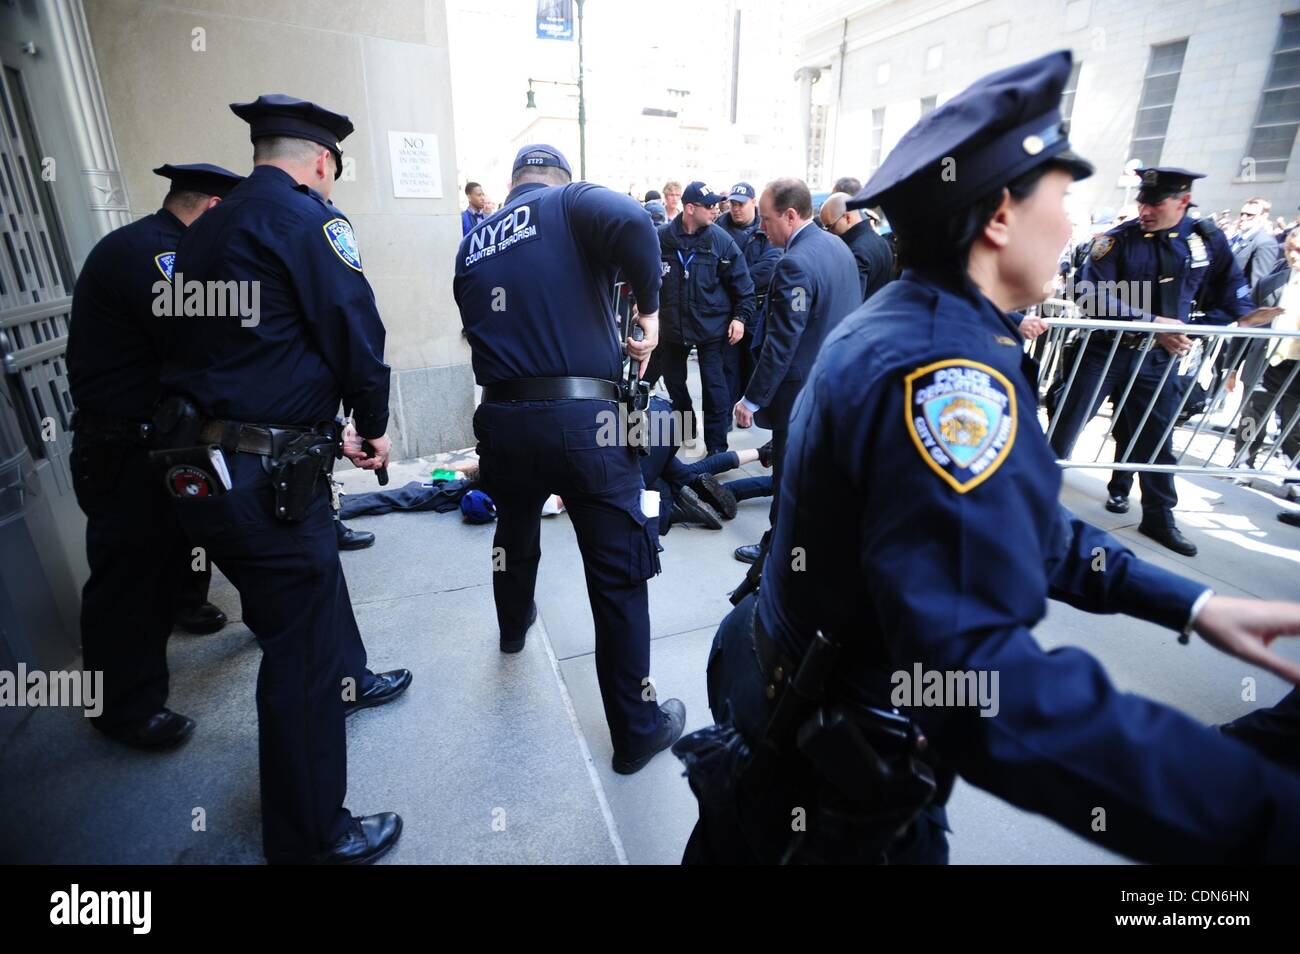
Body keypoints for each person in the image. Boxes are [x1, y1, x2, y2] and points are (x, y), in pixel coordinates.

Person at [677, 50, 1300, 865]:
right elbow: (980, 688)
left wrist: (1187, 606)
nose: (1073, 224)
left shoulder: (923, 324)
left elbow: (1016, 523)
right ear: (1001, 217)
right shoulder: (946, 374)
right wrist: (1261, 818)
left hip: (789, 697)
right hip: (837, 769)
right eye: (1062, 198)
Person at [160, 94, 410, 864]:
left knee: (303, 596)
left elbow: (239, 351)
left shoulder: (204, 231)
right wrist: (371, 423)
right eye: (332, 173)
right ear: (321, 162)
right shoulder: (310, 221)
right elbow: (354, 329)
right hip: (265, 473)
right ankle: (310, 836)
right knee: (295, 652)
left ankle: (352, 677)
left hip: (203, 463)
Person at [454, 143, 686, 775]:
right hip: (585, 422)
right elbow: (638, 224)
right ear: (558, 180)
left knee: (514, 527)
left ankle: (511, 626)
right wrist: (651, 314)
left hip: (503, 420)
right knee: (617, 575)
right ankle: (635, 728)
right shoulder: (570, 201)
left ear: (512, 184)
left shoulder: (473, 242)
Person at [67, 162, 242, 750]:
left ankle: (184, 607)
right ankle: (121, 707)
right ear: (213, 209)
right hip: (123, 447)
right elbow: (200, 340)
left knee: (181, 542)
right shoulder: (158, 255)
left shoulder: (153, 244)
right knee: (126, 579)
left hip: (151, 440)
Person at [1047, 167, 1271, 556]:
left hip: (1157, 359)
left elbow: (1230, 291)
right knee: (1066, 427)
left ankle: (1158, 516)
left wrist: (1231, 318)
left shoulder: (1206, 240)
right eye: (1141, 201)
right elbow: (1088, 294)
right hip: (1106, 351)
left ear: (1182, 201)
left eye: (1154, 202)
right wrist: (1152, 323)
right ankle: (1032, 502)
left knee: (1156, 441)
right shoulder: (1116, 241)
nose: (1144, 209)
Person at [731, 178, 858, 565]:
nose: (761, 227)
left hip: (802, 394)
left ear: (790, 215)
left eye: (766, 219)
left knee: (788, 478)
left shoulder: (795, 264)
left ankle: (779, 552)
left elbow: (782, 341)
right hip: (834, 383)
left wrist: (752, 397)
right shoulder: (836, 245)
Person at [653, 181, 755, 454]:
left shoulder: (720, 240)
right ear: (689, 208)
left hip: (712, 327)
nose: (715, 209)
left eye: (715, 205)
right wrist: (644, 307)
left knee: (714, 388)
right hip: (673, 327)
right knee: (674, 382)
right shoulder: (660, 238)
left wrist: (740, 318)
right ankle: (685, 429)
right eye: (708, 205)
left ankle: (717, 450)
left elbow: (744, 287)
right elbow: (644, 278)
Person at [716, 182, 782, 409]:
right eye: (732, 203)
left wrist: (734, 275)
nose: (736, 208)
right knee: (727, 367)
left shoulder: (765, 226)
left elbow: (770, 266)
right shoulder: (718, 227)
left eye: (741, 204)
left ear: (753, 202)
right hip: (725, 307)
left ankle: (747, 409)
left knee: (752, 363)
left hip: (757, 308)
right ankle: (726, 415)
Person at [819, 191, 894, 301]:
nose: (829, 233)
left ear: (847, 218)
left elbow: (850, 301)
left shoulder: (854, 251)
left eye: (830, 227)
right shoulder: (880, 241)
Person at [1232, 197, 1281, 290]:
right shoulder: (1236, 238)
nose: (1243, 218)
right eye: (1242, 214)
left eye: (1249, 215)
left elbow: (1257, 286)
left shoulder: (1265, 243)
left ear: (1263, 217)